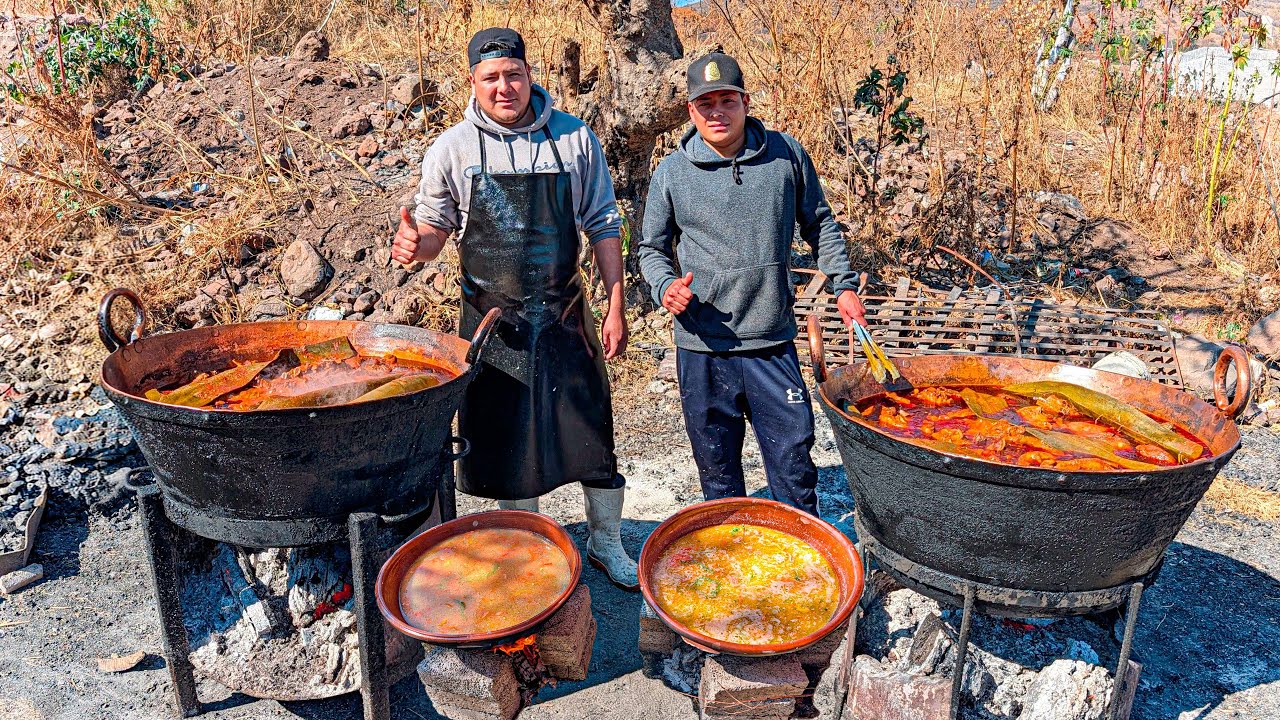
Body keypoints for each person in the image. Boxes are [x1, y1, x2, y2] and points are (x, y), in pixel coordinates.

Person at [391, 28, 637, 589]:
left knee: (591, 429)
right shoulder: (452, 148)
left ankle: (605, 541)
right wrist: (414, 245)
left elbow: (602, 223)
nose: (505, 87)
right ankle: (526, 546)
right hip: (492, 323)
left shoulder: (575, 138)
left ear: (530, 74)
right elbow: (434, 230)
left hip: (565, 314)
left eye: (514, 74)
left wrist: (616, 302)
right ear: (473, 83)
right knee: (510, 438)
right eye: (491, 78)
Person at [637, 51, 867, 517]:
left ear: (745, 101)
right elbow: (650, 249)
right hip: (704, 346)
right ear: (691, 110)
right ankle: (735, 568)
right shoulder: (672, 173)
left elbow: (819, 224)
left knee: (794, 465)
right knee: (719, 476)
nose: (717, 112)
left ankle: (802, 564)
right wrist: (665, 287)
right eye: (706, 104)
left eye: (727, 100)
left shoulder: (785, 155)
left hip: (770, 341)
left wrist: (843, 286)